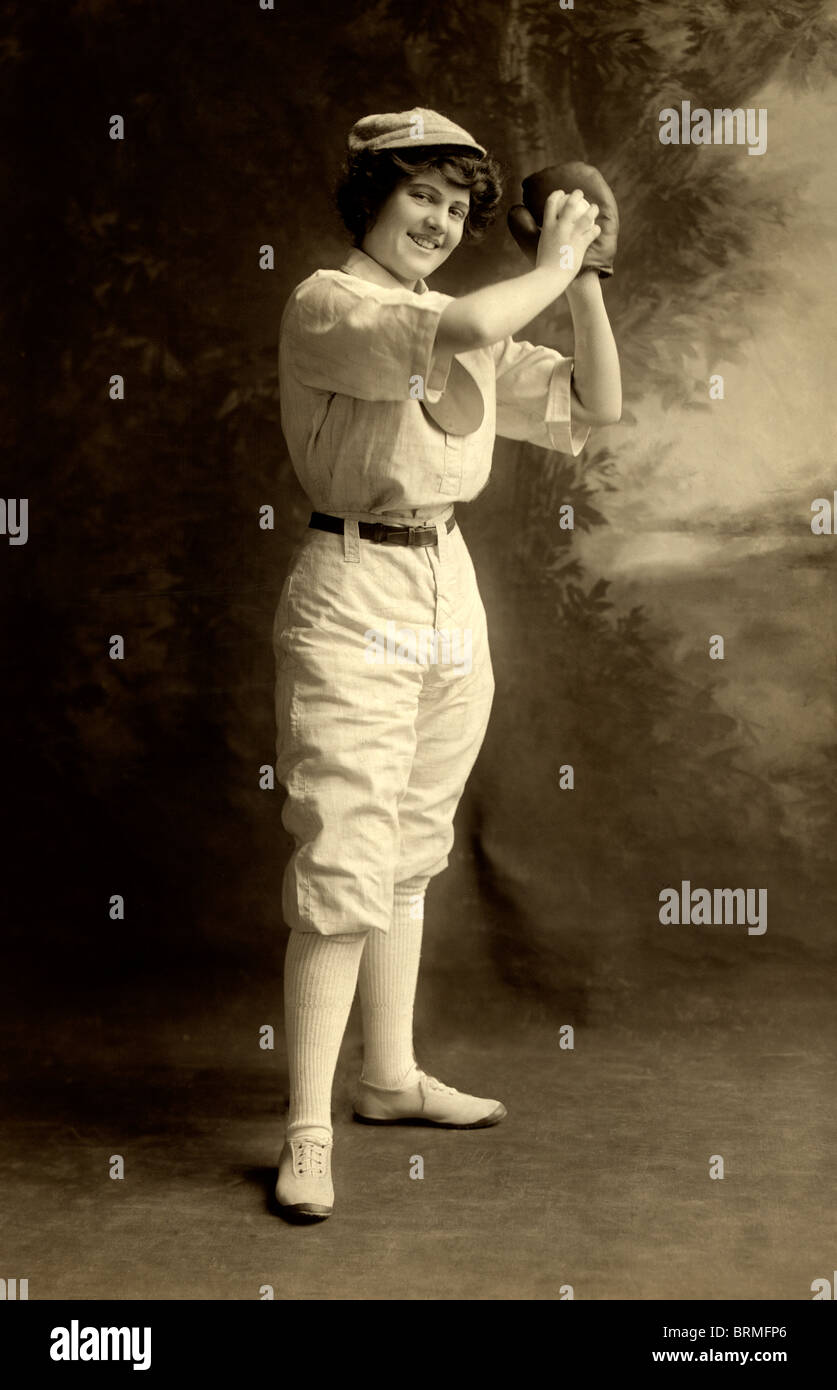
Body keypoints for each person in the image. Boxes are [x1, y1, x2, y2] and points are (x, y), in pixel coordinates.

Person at [273, 107, 621, 1220]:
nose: (440, 219)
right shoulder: (332, 304)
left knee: (413, 848)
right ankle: (308, 1129)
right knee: (342, 859)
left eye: (460, 207)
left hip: (445, 588)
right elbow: (468, 329)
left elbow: (595, 404)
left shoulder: (453, 316)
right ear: (371, 194)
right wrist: (555, 258)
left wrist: (588, 275)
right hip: (353, 585)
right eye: (420, 193)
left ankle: (386, 1077)